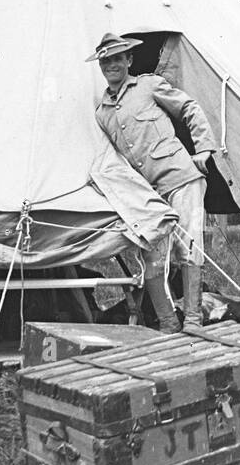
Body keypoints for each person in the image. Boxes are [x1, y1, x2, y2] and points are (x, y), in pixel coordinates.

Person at [88, 32, 217, 330]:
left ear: (129, 60)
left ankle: (194, 322)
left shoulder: (148, 85)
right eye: (106, 60)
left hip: (182, 177)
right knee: (152, 258)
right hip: (149, 194)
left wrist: (204, 150)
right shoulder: (102, 113)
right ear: (101, 66)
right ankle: (169, 325)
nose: (112, 65)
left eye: (118, 58)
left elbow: (189, 108)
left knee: (188, 248)